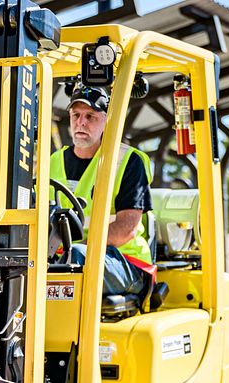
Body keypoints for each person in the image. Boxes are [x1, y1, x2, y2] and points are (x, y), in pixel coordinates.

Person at [50, 84, 153, 296]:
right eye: (76, 115)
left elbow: (126, 228)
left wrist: (71, 249)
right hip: (68, 256)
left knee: (76, 258)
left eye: (91, 116)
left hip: (125, 261)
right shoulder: (53, 161)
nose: (81, 122)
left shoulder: (128, 161)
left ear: (107, 121)